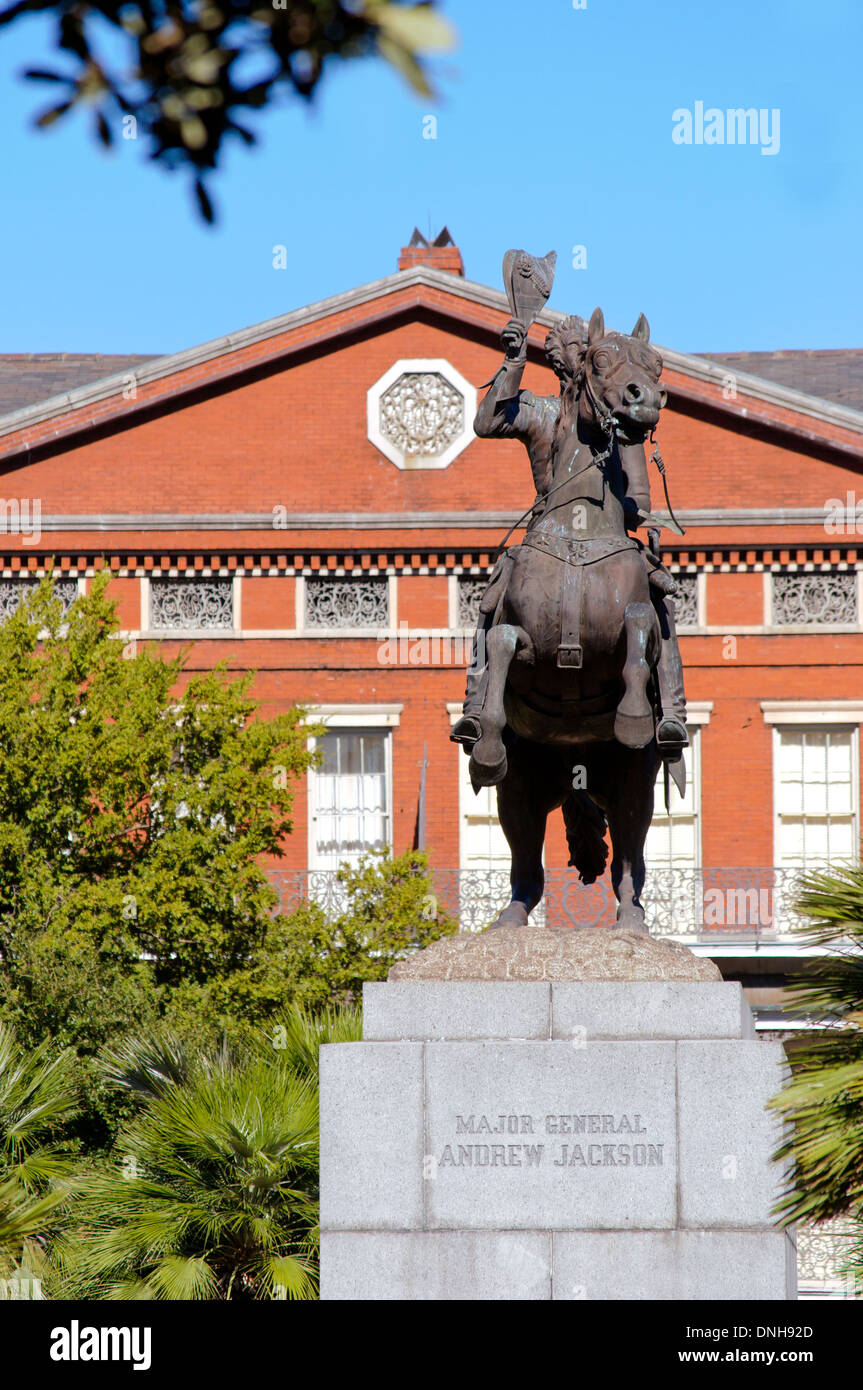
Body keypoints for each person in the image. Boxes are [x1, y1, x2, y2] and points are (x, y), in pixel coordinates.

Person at [450, 313, 688, 761]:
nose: (572, 360)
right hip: (546, 534)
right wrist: (513, 359)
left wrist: (628, 511)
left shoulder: (624, 435)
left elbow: (640, 499)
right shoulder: (541, 413)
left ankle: (672, 709)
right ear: (559, 362)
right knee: (496, 593)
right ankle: (478, 704)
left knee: (657, 600)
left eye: (581, 351)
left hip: (609, 537)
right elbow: (487, 421)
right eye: (567, 353)